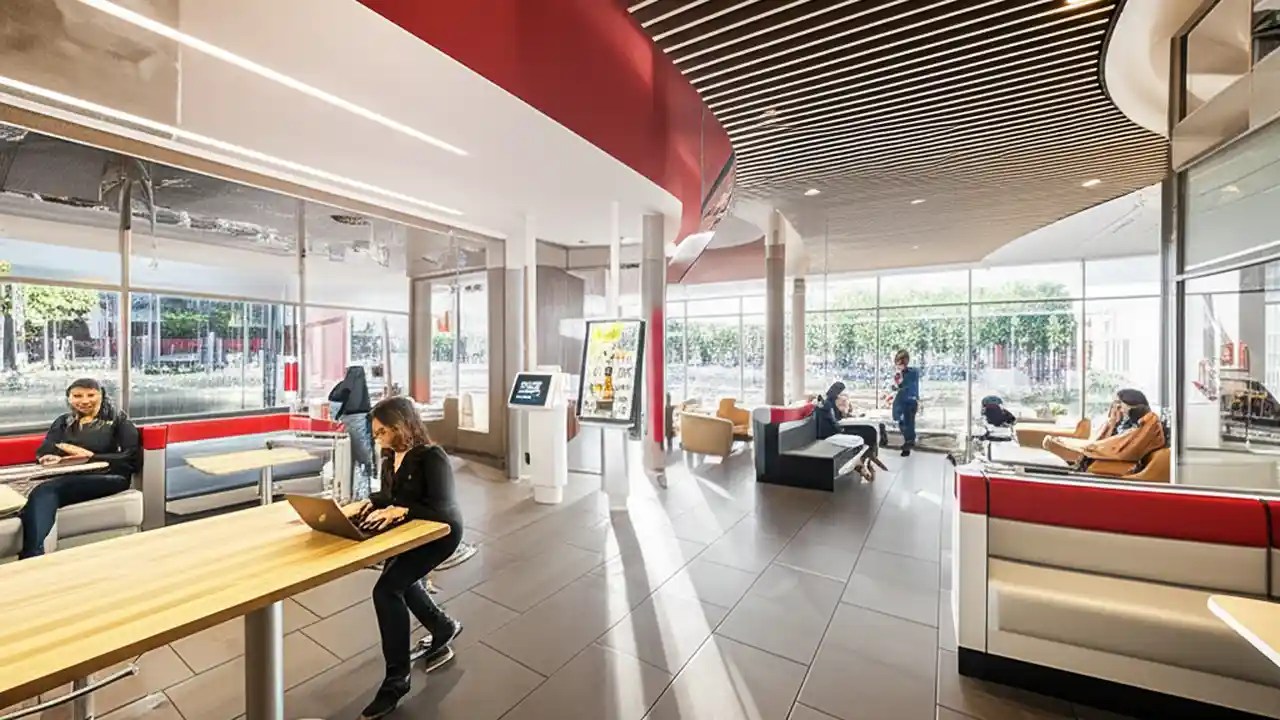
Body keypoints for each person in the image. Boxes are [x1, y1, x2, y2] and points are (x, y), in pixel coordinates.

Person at [342, 396, 463, 720]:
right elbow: (390, 496)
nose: (378, 437)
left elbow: (444, 509)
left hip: (441, 534)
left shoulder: (432, 457)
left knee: (387, 590)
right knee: (403, 583)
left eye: (383, 431)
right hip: (408, 533)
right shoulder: (389, 458)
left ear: (402, 425)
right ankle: (443, 626)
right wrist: (367, 503)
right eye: (376, 432)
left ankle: (397, 681)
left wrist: (404, 509)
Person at [22, 378, 140, 559]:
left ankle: (32, 554)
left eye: (91, 395)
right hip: (70, 474)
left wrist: (90, 456)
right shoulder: (63, 421)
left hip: (110, 477)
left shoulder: (119, 420)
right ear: (69, 398)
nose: (84, 401)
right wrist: (50, 456)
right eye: (77, 396)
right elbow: (45, 449)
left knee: (47, 489)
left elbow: (131, 458)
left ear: (101, 396)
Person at [1043, 389, 1165, 473]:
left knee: (1055, 443)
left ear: (1132, 404)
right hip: (1108, 451)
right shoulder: (1122, 422)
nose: (1116, 408)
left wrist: (1090, 449)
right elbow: (1104, 440)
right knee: (1054, 443)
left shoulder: (1147, 422)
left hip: (1121, 460)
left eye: (1119, 404)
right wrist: (1112, 422)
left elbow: (1122, 448)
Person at [329, 366, 374, 498]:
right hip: (360, 423)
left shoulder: (341, 388)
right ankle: (361, 494)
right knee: (363, 462)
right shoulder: (362, 393)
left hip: (346, 424)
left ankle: (348, 492)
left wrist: (337, 418)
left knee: (348, 460)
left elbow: (334, 408)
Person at [891, 349, 920, 456]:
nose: (899, 366)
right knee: (901, 421)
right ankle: (909, 441)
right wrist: (896, 385)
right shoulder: (899, 374)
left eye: (900, 363)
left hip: (910, 401)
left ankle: (909, 443)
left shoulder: (913, 372)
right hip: (901, 401)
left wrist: (900, 382)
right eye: (897, 363)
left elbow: (908, 384)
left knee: (908, 423)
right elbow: (898, 386)